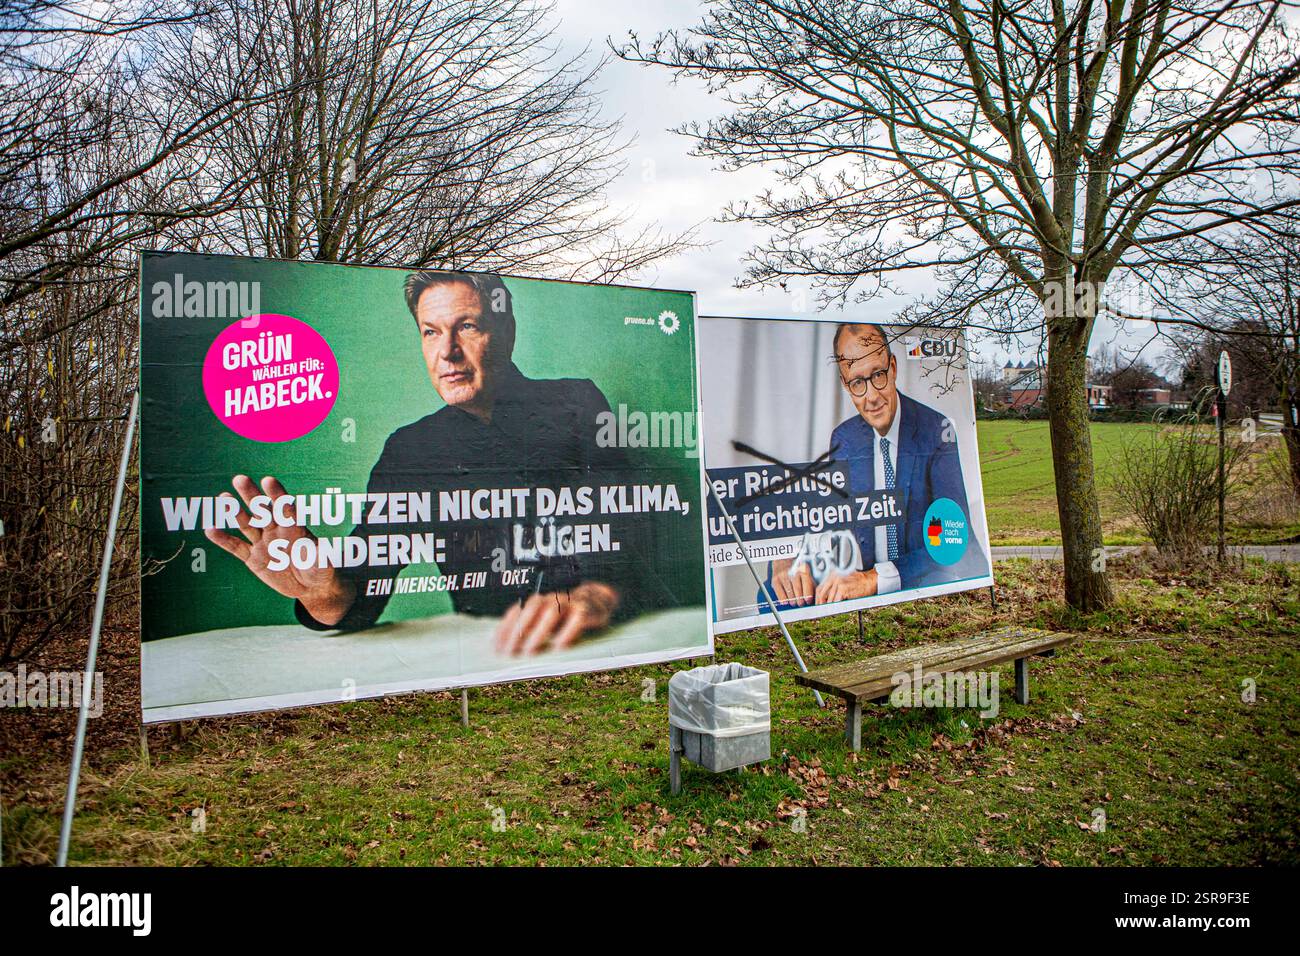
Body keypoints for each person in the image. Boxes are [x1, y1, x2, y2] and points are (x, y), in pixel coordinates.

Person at [206, 270, 649, 656]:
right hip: (494, 661)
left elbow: (634, 521)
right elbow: (366, 580)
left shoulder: (576, 402)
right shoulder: (409, 450)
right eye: (431, 332)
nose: (447, 352)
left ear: (507, 332)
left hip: (614, 643)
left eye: (467, 326)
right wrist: (325, 595)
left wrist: (595, 594)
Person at [770, 322, 986, 607]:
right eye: (858, 382)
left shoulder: (935, 430)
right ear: (845, 384)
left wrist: (874, 579)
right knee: (776, 590)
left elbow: (953, 536)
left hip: (925, 580)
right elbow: (824, 515)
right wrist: (789, 553)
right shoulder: (844, 438)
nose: (871, 396)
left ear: (893, 368)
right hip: (865, 587)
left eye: (878, 375)